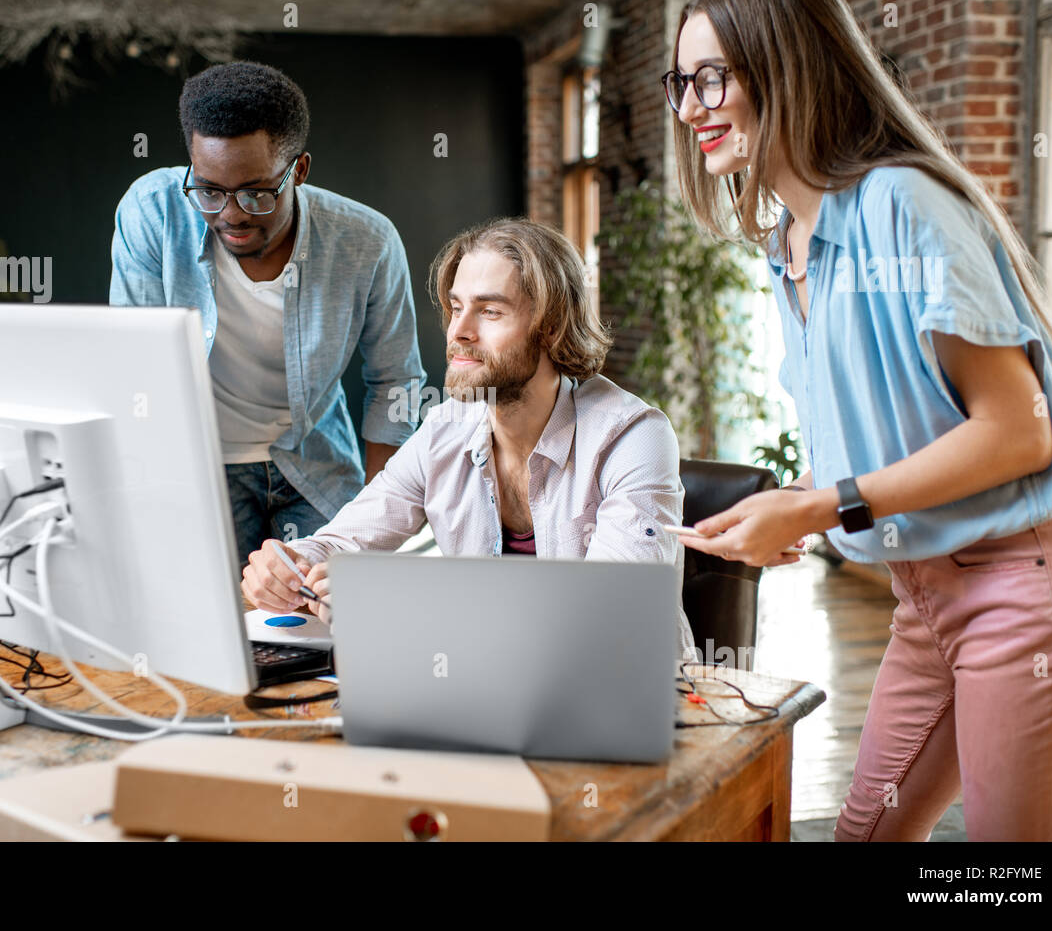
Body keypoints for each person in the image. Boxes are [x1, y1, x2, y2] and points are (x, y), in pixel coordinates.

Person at [663, 0, 1052, 841]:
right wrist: (793, 509)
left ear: (784, 66)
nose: (690, 107)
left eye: (713, 78)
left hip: (1020, 581)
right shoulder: (791, 245)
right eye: (682, 83)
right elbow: (889, 433)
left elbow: (1017, 431)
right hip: (922, 594)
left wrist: (825, 503)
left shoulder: (902, 203)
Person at [241, 218, 694, 654]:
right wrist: (288, 564)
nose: (459, 331)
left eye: (490, 311)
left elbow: (612, 614)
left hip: (630, 706)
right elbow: (340, 542)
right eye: (456, 307)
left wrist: (392, 598)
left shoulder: (633, 436)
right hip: (486, 689)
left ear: (552, 327)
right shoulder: (445, 429)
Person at [109, 61, 426, 569]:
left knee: (324, 624)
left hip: (317, 470)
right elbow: (136, 368)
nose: (230, 214)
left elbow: (396, 382)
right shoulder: (152, 212)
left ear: (298, 171)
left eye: (256, 192)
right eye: (209, 190)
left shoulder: (367, 241)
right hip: (201, 467)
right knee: (219, 630)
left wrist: (373, 521)